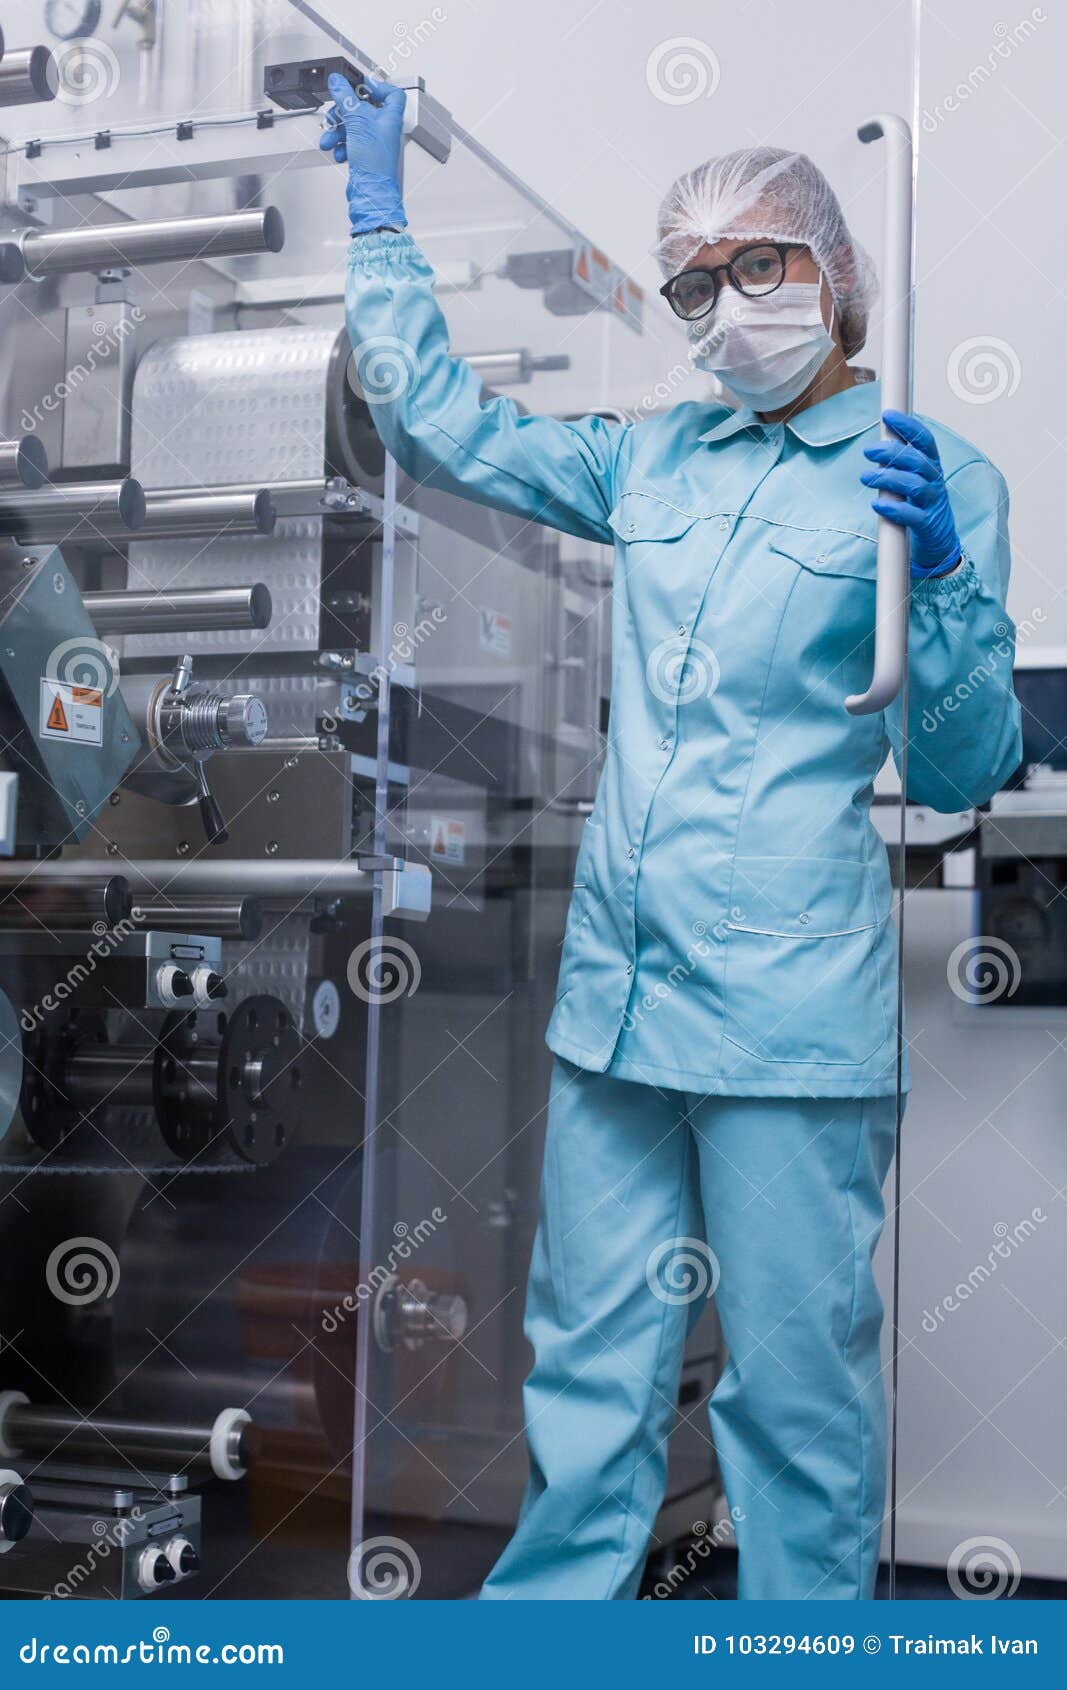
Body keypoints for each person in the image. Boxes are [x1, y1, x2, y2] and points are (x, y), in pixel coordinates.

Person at [322, 75, 1022, 1600]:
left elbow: (964, 762)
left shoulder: (932, 480)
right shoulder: (653, 460)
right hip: (618, 1006)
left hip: (790, 1023)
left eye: (754, 265)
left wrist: (953, 585)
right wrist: (380, 225)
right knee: (584, 1385)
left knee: (792, 1408)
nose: (720, 306)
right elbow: (444, 428)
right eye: (692, 280)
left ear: (836, 276)